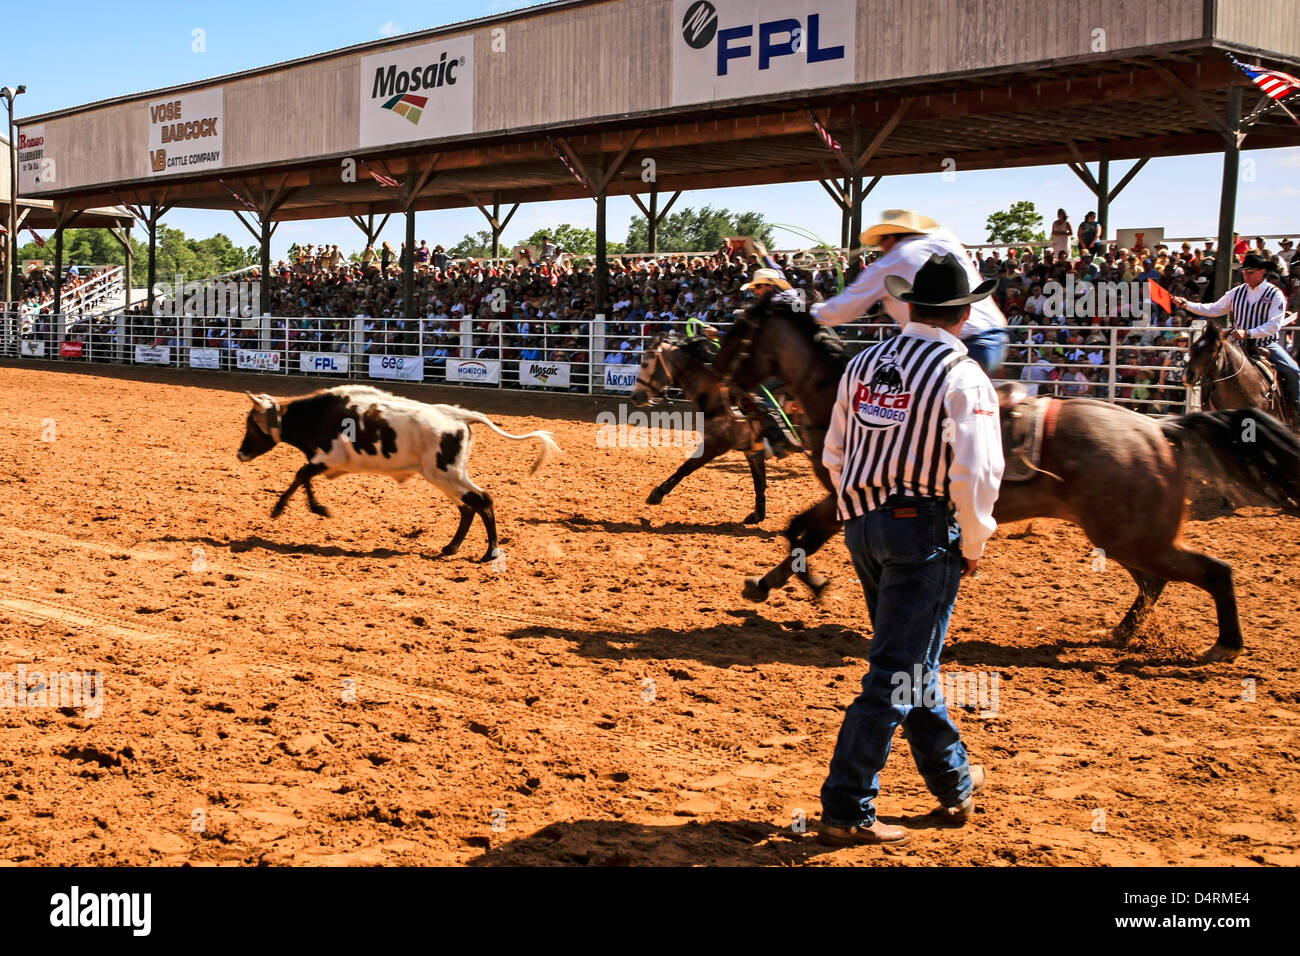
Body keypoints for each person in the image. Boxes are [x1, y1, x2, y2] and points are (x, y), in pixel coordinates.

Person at [818, 253, 1003, 846]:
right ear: (965, 312)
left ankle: (954, 786)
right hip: (921, 530)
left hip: (864, 525)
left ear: (910, 303)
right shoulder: (963, 374)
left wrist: (853, 510)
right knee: (896, 674)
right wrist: (974, 540)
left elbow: (834, 451)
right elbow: (977, 470)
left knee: (911, 663)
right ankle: (846, 806)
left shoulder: (864, 363)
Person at [810, 210, 1010, 375]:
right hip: (995, 337)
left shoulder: (892, 262)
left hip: (958, 345)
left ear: (890, 238)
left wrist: (809, 311)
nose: (881, 247)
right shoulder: (943, 238)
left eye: (882, 241)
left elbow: (845, 308)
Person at [1172, 253, 1299, 415]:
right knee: (1211, 367)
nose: (1246, 275)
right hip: (1239, 345)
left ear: (1262, 272)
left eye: (1250, 272)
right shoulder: (1236, 292)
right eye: (1245, 272)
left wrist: (1248, 333)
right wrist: (1187, 305)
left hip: (1266, 344)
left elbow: (1274, 325)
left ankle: (1296, 411)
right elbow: (1214, 308)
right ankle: (1207, 409)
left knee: (1292, 370)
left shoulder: (1275, 294)